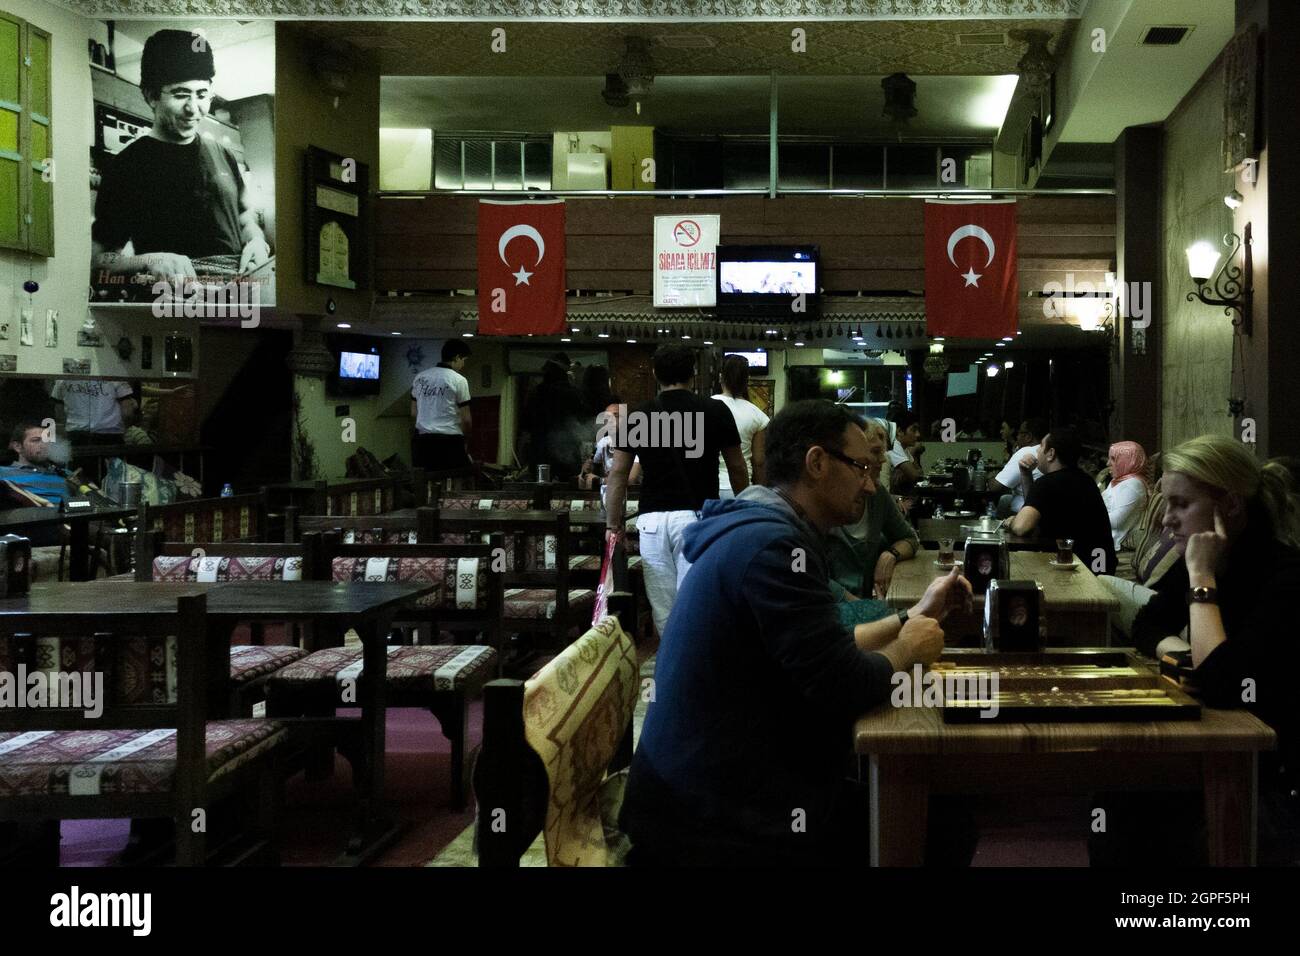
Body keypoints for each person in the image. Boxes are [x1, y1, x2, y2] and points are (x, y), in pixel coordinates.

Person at [619, 400, 975, 866]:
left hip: (703, 788)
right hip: (709, 817)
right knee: (938, 818)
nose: (871, 484)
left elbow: (818, 649)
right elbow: (842, 684)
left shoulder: (761, 527)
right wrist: (909, 647)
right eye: (861, 467)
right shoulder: (771, 546)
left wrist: (910, 618)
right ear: (817, 463)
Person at [1092, 435, 1300, 866]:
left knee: (1135, 811)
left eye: (1181, 505)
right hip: (1224, 748)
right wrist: (1187, 656)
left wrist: (1202, 577)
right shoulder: (1213, 557)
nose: (1167, 520)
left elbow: (1223, 684)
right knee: (1117, 793)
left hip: (1273, 779)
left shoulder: (1284, 578)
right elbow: (1148, 623)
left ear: (1231, 506)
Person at [91, 29, 271, 289]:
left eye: (202, 94)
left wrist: (256, 241)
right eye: (180, 95)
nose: (193, 109)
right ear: (151, 96)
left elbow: (245, 219)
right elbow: (99, 261)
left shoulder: (224, 155)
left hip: (239, 293)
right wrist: (151, 260)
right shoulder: (126, 166)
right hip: (175, 300)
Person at [605, 344, 747, 636]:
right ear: (693, 373)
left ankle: (667, 670)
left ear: (656, 373)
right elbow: (737, 468)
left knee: (663, 607)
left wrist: (613, 525)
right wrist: (745, 510)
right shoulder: (714, 409)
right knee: (695, 603)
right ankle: (695, 673)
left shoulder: (638, 415)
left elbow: (618, 473)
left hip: (652, 521)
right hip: (697, 519)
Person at [827, 418, 920, 604]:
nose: (884, 459)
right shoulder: (823, 501)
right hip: (832, 613)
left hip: (868, 605)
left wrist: (889, 554)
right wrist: (864, 610)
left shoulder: (877, 495)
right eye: (876, 452)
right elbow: (807, 572)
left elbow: (910, 539)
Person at [1004, 425, 1117, 573]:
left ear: (1051, 454)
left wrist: (1012, 521)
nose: (1037, 451)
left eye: (1041, 447)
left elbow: (1021, 527)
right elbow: (1035, 504)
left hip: (1075, 568)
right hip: (1101, 566)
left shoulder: (1047, 483)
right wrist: (1025, 474)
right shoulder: (1086, 481)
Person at [519, 354, 588, 481]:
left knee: (540, 490)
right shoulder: (573, 394)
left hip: (540, 453)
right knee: (568, 494)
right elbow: (582, 423)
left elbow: (526, 426)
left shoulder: (536, 393)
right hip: (568, 454)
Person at [712, 354, 769, 498]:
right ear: (747, 380)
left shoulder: (707, 407)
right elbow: (759, 461)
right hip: (742, 489)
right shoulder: (758, 415)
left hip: (710, 485)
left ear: (720, 377)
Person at [411, 340, 472, 472]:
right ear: (457, 358)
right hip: (450, 442)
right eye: (463, 360)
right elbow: (466, 419)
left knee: (425, 482)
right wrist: (465, 440)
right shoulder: (459, 380)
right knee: (452, 482)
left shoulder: (420, 377)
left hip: (423, 441)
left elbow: (414, 413)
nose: (463, 365)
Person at [1, 421, 68, 507]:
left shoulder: (67, 475)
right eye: (36, 440)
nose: (44, 445)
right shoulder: (2, 473)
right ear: (18, 446)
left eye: (47, 440)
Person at [988, 417, 1045, 516]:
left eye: (1019, 433)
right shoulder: (1046, 452)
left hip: (1022, 514)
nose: (1017, 436)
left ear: (1028, 437)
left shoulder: (1026, 451)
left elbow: (996, 487)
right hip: (1039, 511)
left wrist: (989, 477)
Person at [1101, 440, 1150, 551]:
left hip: (1111, 542)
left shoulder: (1133, 484)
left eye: (1113, 459)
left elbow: (1116, 521)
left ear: (1127, 461)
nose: (1108, 463)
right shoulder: (1118, 481)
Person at [50, 380, 136, 442]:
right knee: (112, 466)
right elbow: (127, 410)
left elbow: (58, 410)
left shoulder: (63, 378)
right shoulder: (114, 375)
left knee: (79, 467)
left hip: (76, 435)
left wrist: (66, 427)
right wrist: (126, 429)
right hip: (110, 435)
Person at [887, 411, 924, 493]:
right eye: (914, 430)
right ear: (899, 431)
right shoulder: (893, 446)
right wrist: (913, 452)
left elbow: (921, 474)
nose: (918, 434)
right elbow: (915, 476)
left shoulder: (904, 448)